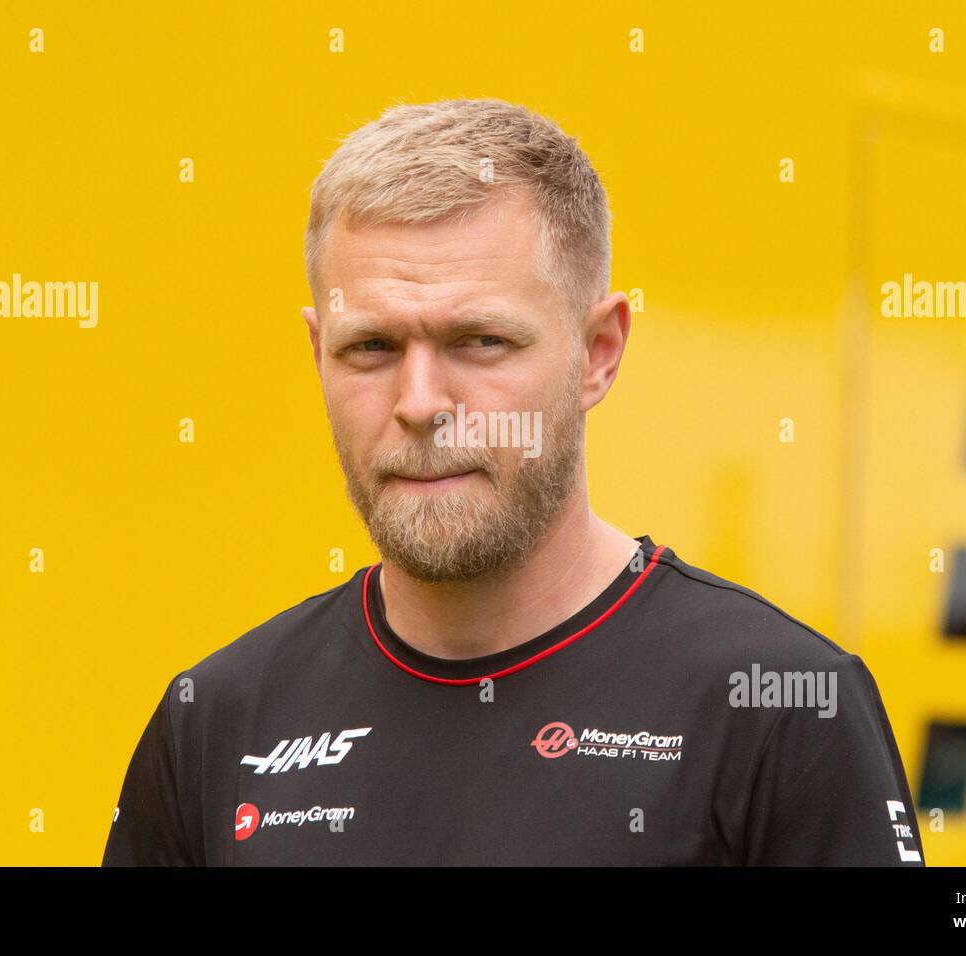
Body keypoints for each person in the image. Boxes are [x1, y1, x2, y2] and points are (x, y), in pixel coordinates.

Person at [102, 97, 924, 866]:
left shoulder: (782, 711)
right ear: (317, 353)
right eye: (372, 349)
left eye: (482, 341)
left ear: (599, 352)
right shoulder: (213, 724)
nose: (421, 405)